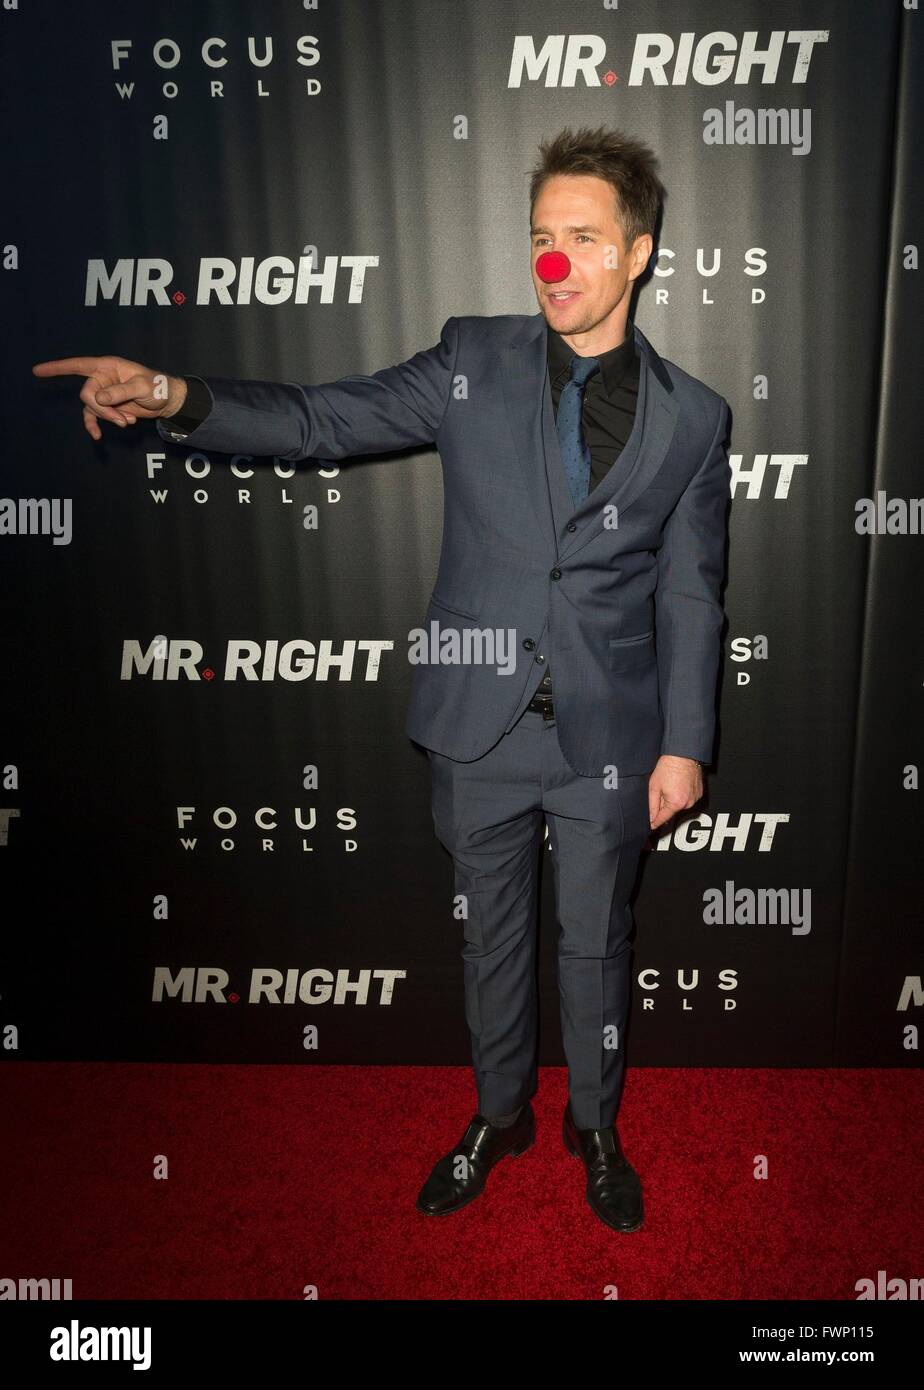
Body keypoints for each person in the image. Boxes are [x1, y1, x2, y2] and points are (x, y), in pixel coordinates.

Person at [33, 125, 731, 1234]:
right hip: (478, 728)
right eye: (541, 238)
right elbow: (320, 421)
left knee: (599, 947)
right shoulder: (470, 358)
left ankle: (593, 1125)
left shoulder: (696, 418)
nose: (553, 264)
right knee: (489, 940)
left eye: (584, 239)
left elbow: (692, 593)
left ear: (639, 252)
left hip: (611, 736)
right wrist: (172, 396)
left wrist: (685, 742)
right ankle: (498, 1114)